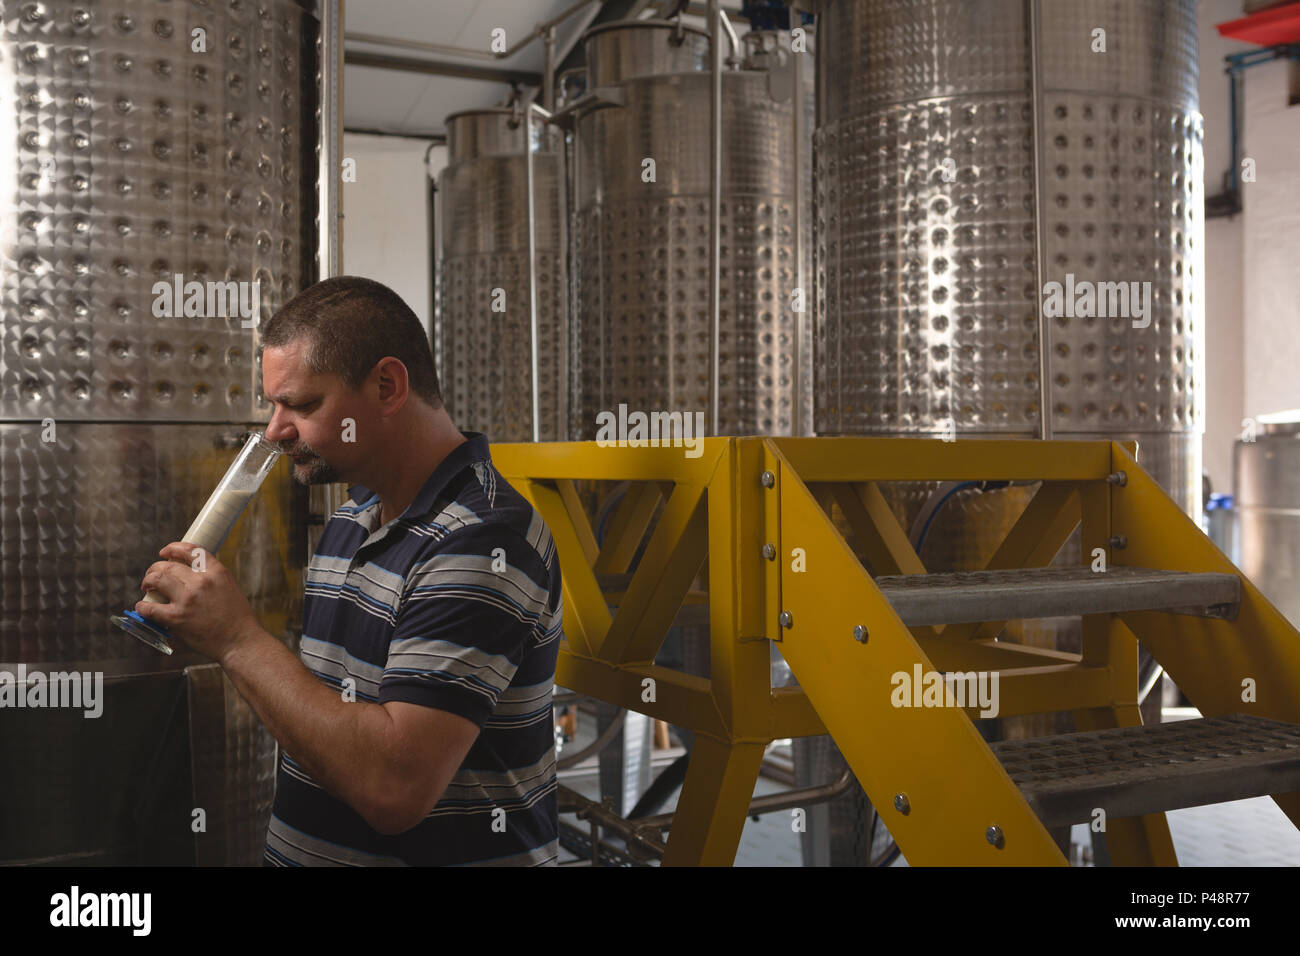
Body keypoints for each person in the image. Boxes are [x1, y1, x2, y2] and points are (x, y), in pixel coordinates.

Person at [135, 276, 562, 865]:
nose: (275, 431)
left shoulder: (484, 540)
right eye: (275, 404)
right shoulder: (352, 518)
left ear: (387, 385)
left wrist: (234, 639)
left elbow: (393, 789)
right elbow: (334, 716)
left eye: (303, 405)